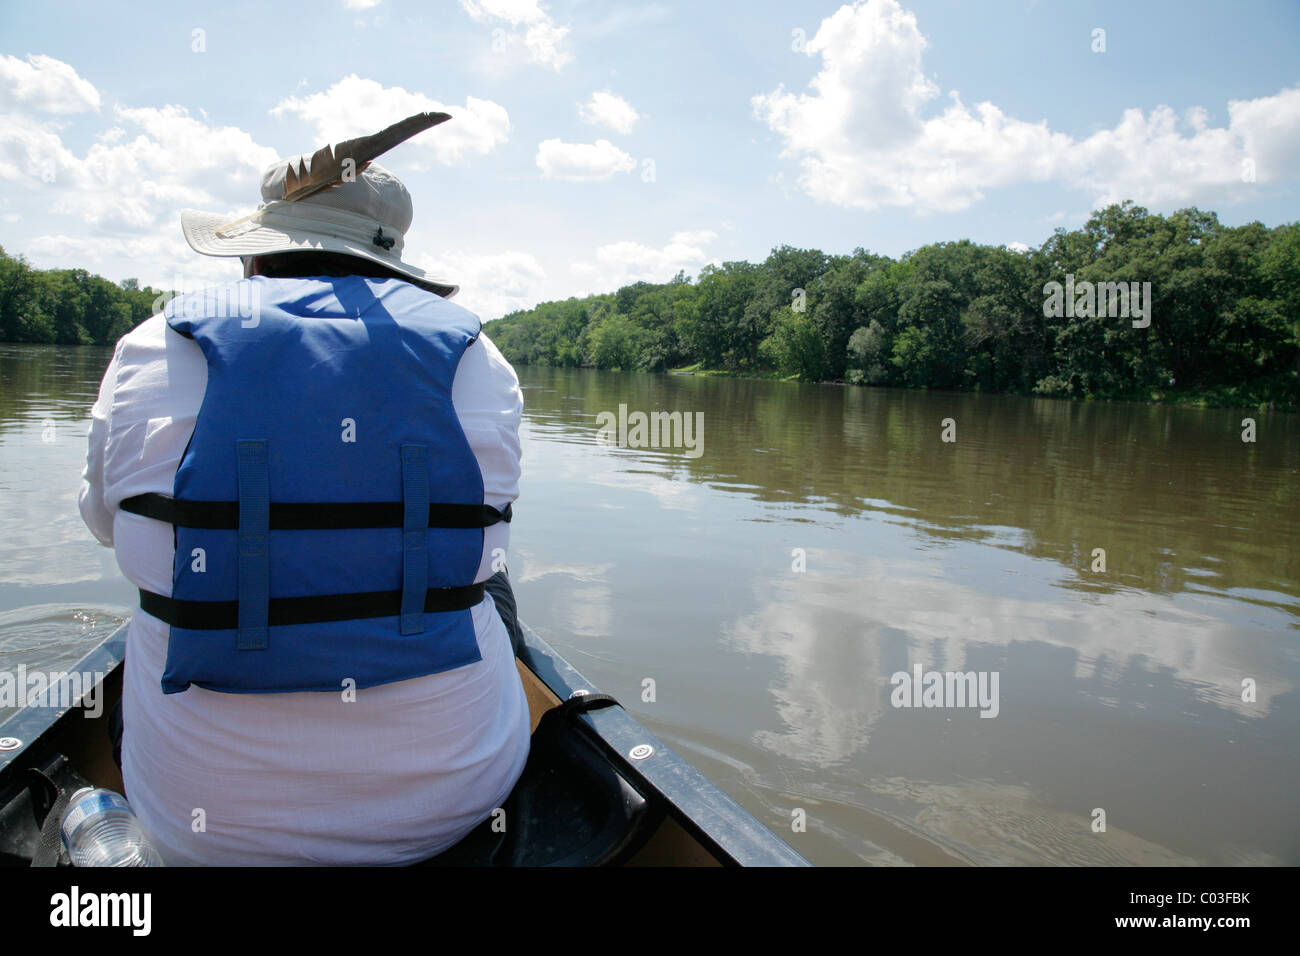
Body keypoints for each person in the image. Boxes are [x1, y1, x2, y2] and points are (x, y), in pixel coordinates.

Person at [77, 122, 531, 865]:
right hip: (455, 803)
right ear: (391, 260)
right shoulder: (484, 361)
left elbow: (102, 524)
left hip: (207, 827)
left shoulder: (147, 347)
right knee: (496, 578)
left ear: (254, 252)